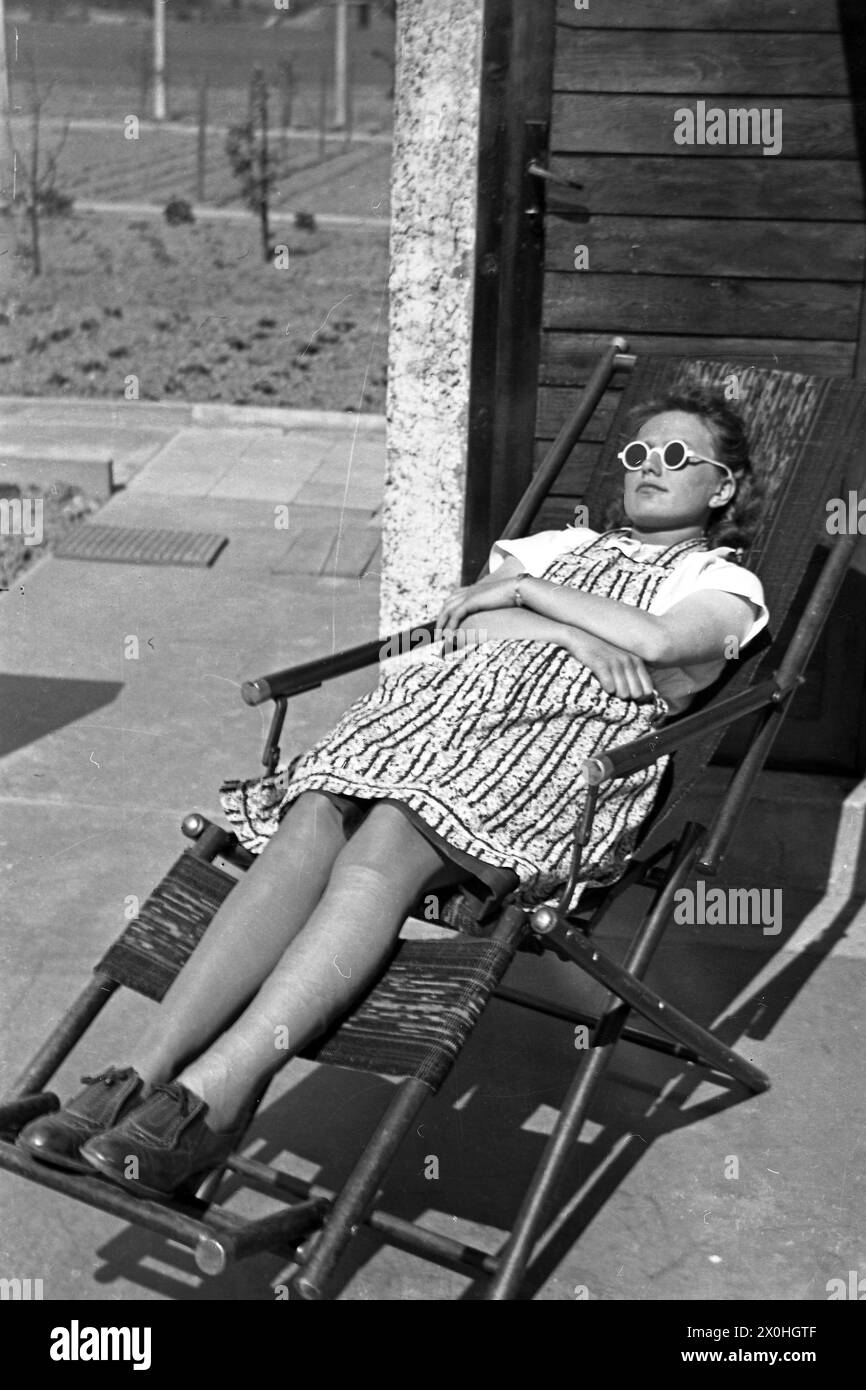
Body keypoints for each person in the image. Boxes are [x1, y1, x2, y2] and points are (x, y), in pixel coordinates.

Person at [18, 385, 769, 1199]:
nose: (648, 469)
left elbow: (660, 642)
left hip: (552, 750)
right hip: (433, 718)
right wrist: (564, 625)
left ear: (721, 488)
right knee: (312, 813)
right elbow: (466, 627)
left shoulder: (722, 585)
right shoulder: (554, 546)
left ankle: (214, 1099)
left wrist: (525, 598)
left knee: (388, 837)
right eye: (636, 454)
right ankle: (140, 1071)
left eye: (675, 457)